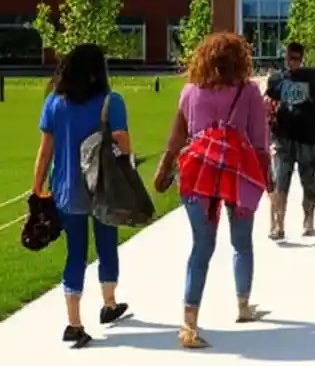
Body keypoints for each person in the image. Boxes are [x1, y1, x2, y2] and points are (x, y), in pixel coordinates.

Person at [154, 33, 269, 348]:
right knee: (241, 243)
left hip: (198, 172)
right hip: (238, 172)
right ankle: (243, 306)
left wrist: (164, 170)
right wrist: (267, 181)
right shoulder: (248, 92)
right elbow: (259, 142)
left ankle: (189, 324)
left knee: (201, 248)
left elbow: (177, 136)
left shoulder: (190, 91)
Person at [31, 44, 130, 348]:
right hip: (103, 188)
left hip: (66, 189)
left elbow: (45, 151)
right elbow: (123, 145)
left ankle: (74, 322)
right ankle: (109, 303)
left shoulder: (54, 103)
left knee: (75, 253)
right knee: (106, 244)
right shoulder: (111, 102)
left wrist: (37, 187)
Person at [265, 42, 315, 240]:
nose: (292, 62)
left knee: (308, 181)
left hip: (308, 137)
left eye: (296, 58)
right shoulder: (276, 80)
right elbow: (268, 104)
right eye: (289, 58)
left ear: (301, 58)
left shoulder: (313, 78)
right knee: (280, 182)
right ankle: (278, 224)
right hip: (282, 137)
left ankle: (308, 220)